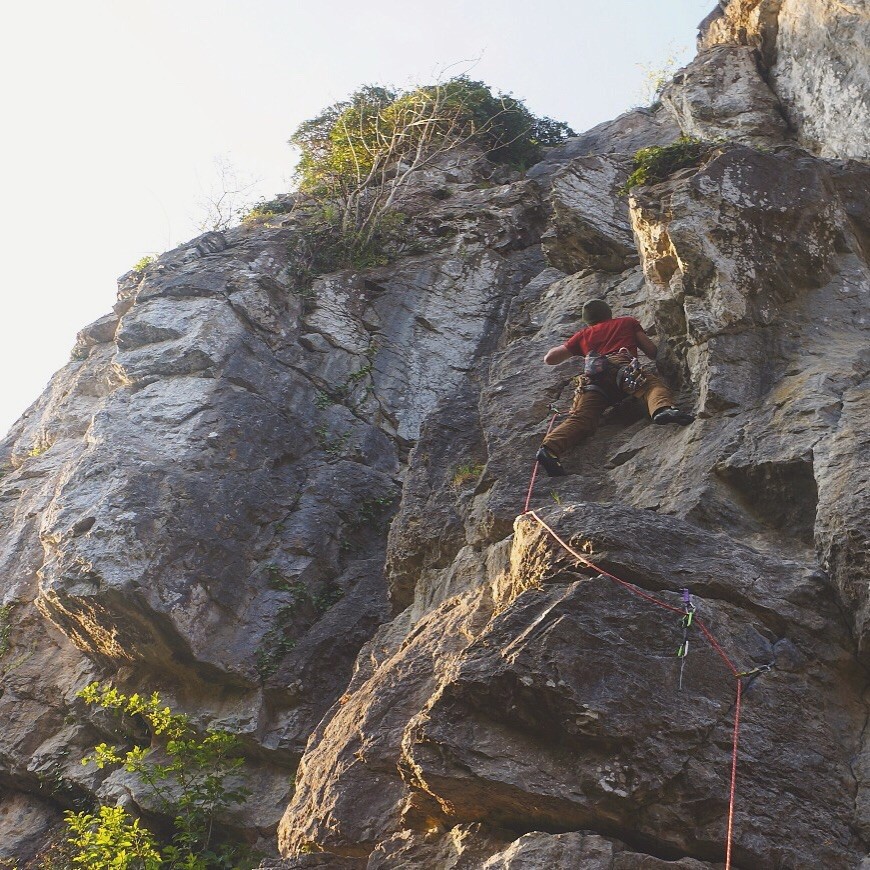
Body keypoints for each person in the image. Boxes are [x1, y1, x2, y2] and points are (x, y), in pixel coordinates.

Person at [536, 299, 694, 477]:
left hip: (594, 377)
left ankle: (549, 449)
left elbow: (550, 359)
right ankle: (662, 409)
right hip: (622, 368)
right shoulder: (626, 322)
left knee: (582, 418)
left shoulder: (583, 335)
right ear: (608, 313)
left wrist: (578, 345)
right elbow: (651, 351)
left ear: (588, 320)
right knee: (651, 386)